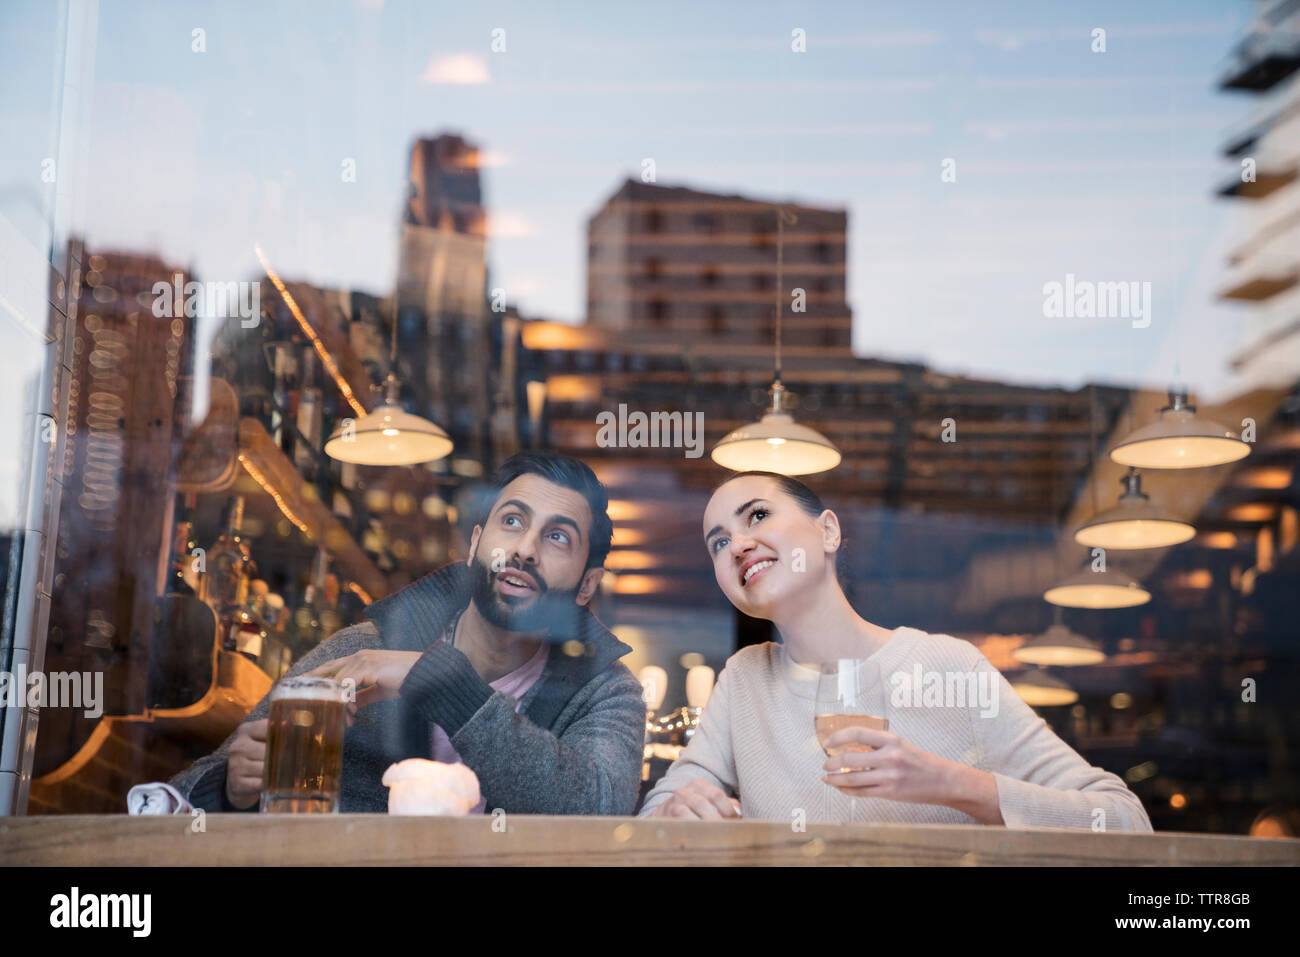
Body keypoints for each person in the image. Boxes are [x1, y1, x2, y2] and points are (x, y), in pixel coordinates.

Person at [639, 470, 1153, 831]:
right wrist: (673, 811)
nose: (739, 545)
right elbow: (660, 808)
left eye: (757, 516)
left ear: (828, 531)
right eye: (718, 543)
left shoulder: (949, 667)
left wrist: (954, 784)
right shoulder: (744, 678)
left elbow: (1122, 819)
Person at [170, 452, 645, 814]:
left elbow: (600, 808)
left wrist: (438, 679)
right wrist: (230, 789)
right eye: (513, 521)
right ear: (477, 543)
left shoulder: (604, 691)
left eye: (557, 536)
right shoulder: (365, 649)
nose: (525, 549)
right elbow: (190, 791)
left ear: (587, 584)